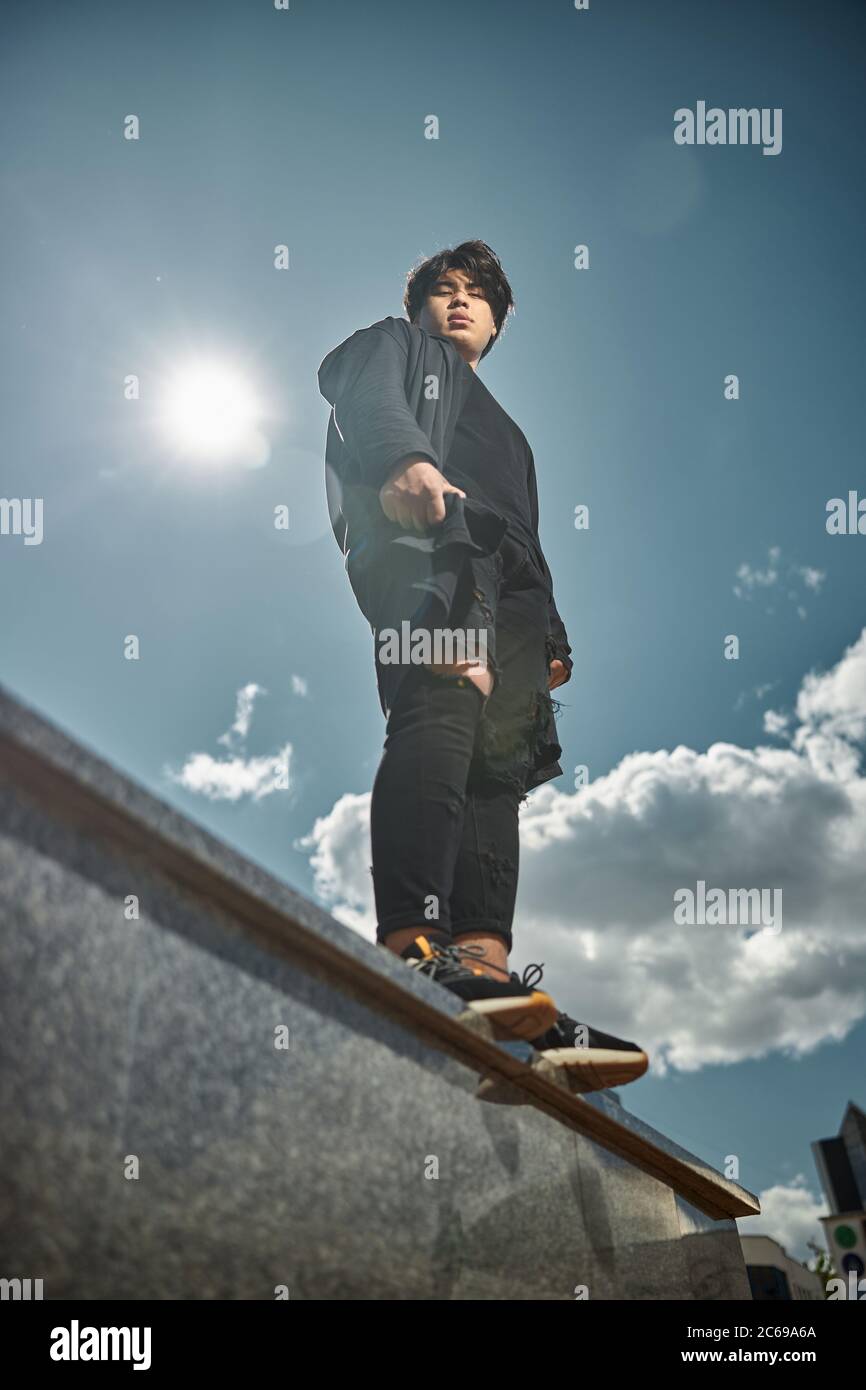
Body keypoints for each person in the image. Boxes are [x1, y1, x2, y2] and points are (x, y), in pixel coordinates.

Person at [318, 241, 647, 1088]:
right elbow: (353, 384)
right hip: (430, 544)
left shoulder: (514, 434)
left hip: (512, 589)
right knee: (444, 705)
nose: (459, 303)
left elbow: (527, 534)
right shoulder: (397, 346)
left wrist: (553, 633)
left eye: (478, 296)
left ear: (498, 323)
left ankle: (485, 970)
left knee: (499, 769)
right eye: (445, 289)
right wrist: (405, 459)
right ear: (422, 302)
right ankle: (414, 941)